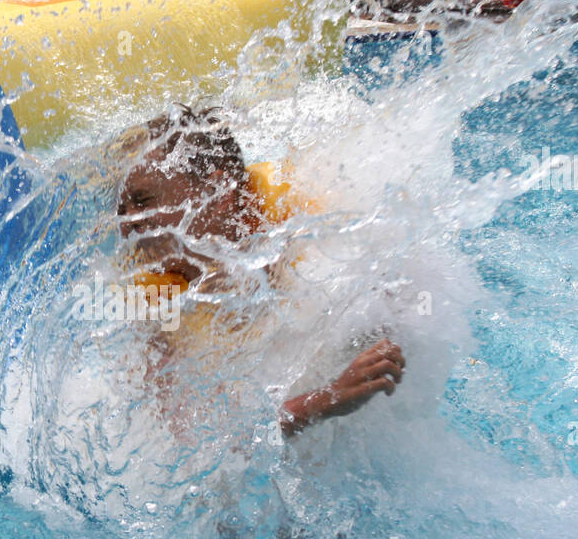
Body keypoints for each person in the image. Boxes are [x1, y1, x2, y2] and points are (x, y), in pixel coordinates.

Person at [113, 104, 404, 437]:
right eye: (121, 208)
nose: (128, 224)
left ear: (218, 191)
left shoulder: (298, 210)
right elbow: (196, 440)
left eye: (143, 200)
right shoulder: (151, 295)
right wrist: (321, 401)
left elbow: (392, 291)